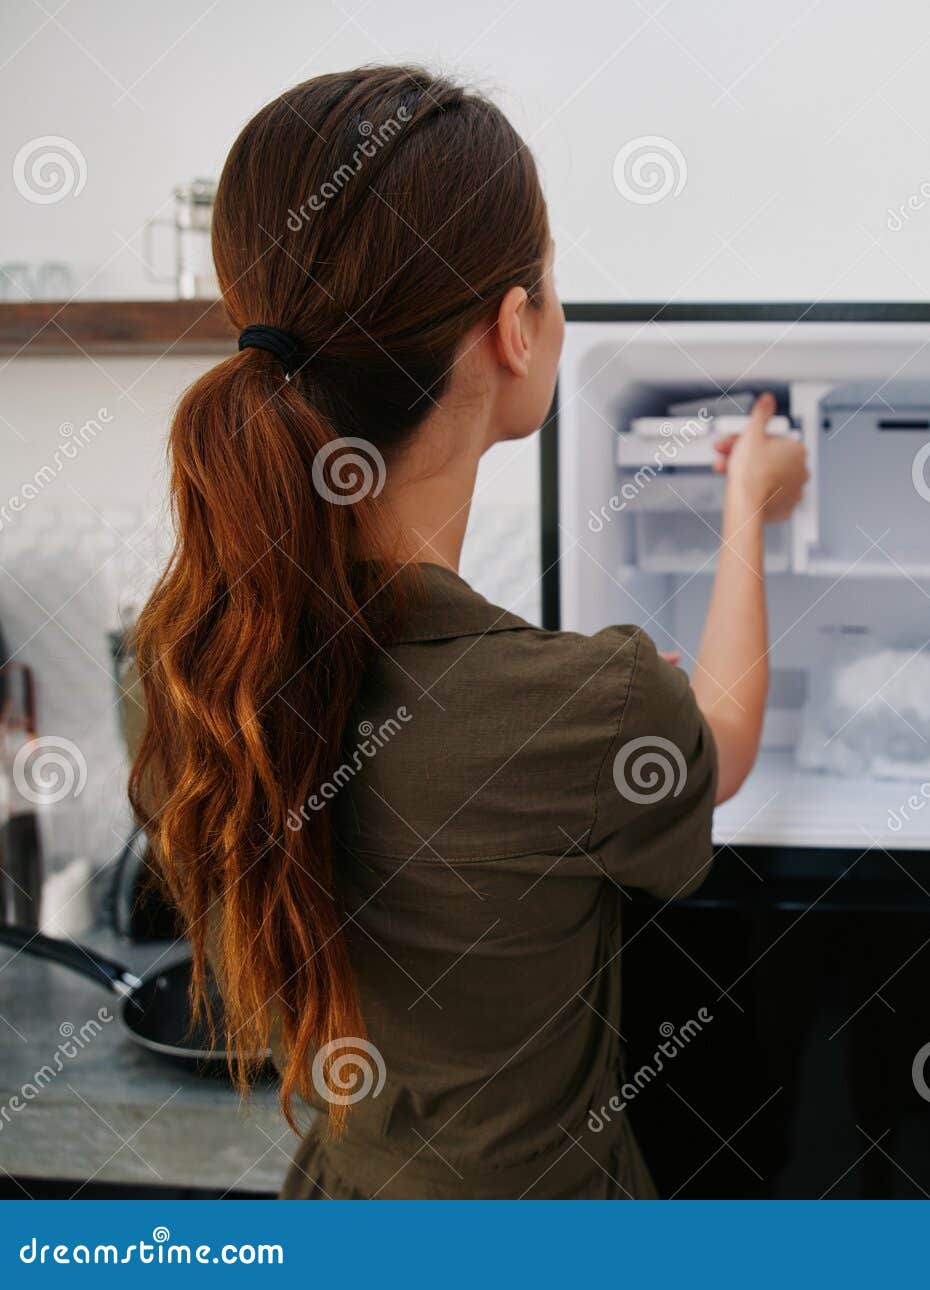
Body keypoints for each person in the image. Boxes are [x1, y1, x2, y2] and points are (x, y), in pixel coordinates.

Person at [129, 65, 807, 1199]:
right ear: (512, 330)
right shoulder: (585, 706)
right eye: (546, 283)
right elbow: (724, 741)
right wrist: (749, 510)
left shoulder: (198, 656)